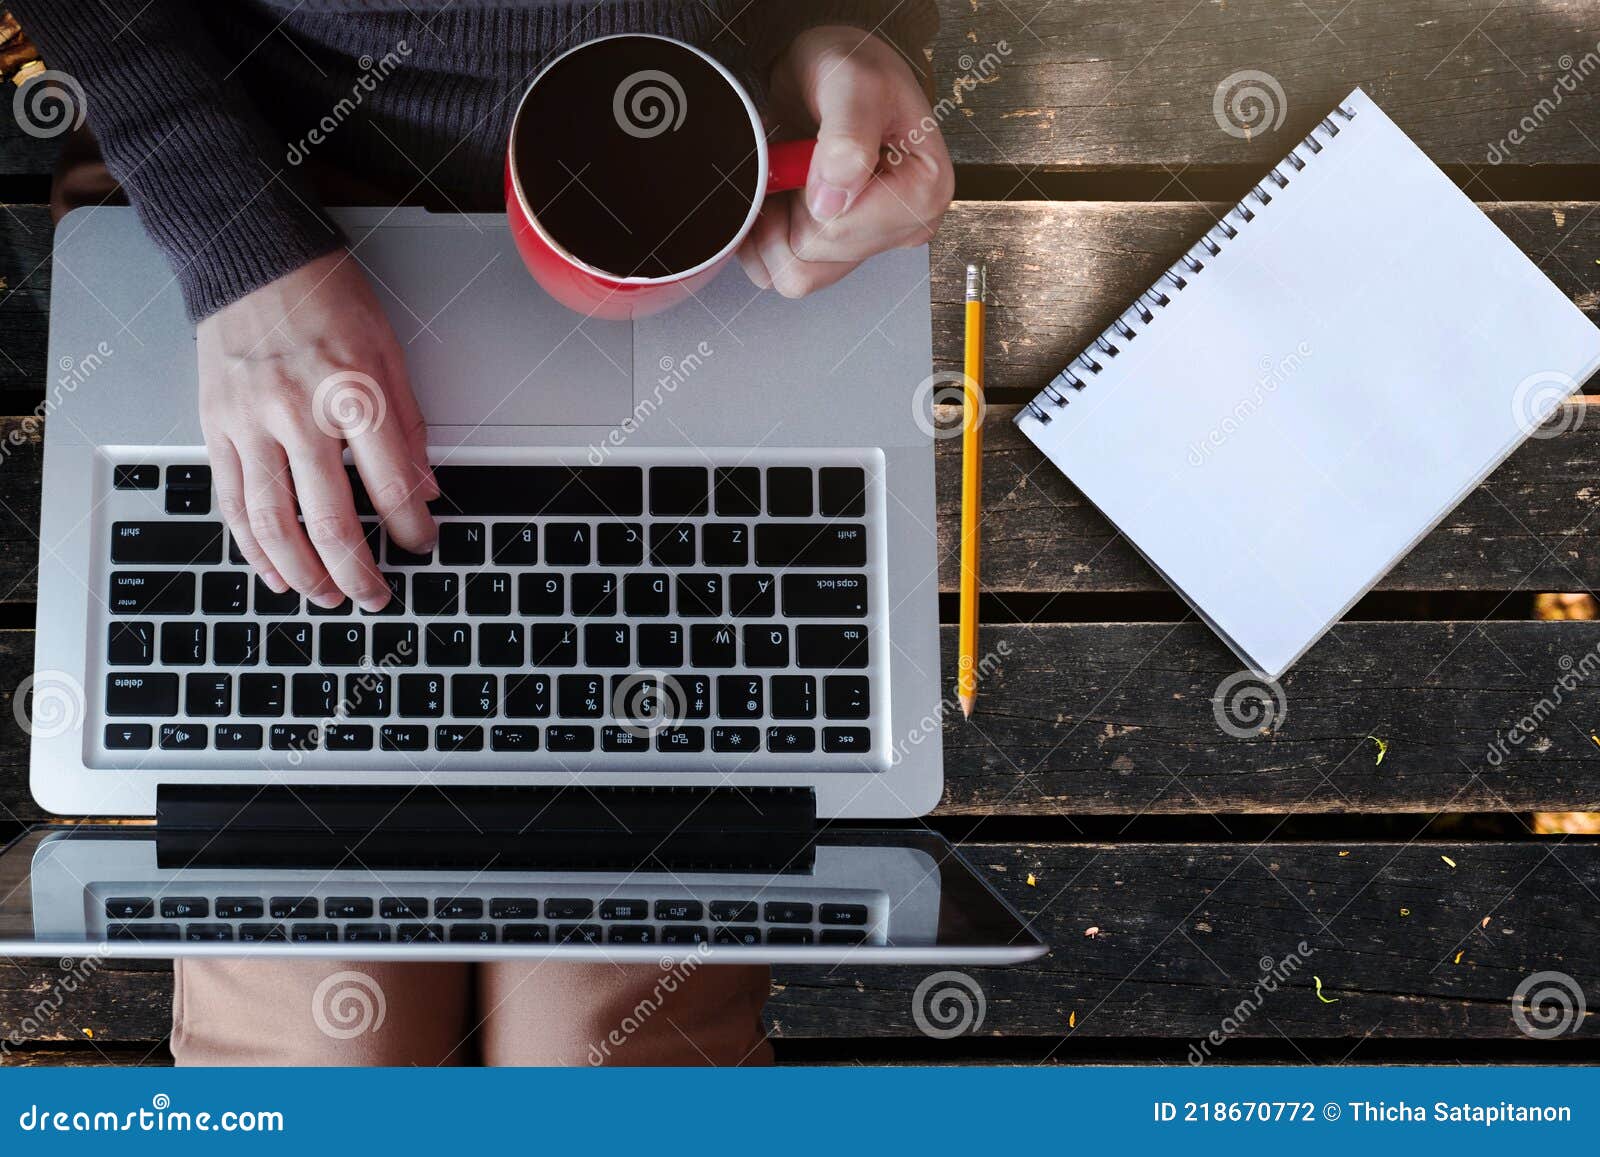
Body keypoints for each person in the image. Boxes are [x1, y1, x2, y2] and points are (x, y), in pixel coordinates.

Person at [19, 0, 952, 1065]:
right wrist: (235, 239)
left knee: (604, 1075)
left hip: (701, 189)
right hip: (259, 154)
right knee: (329, 1074)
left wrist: (857, 43)